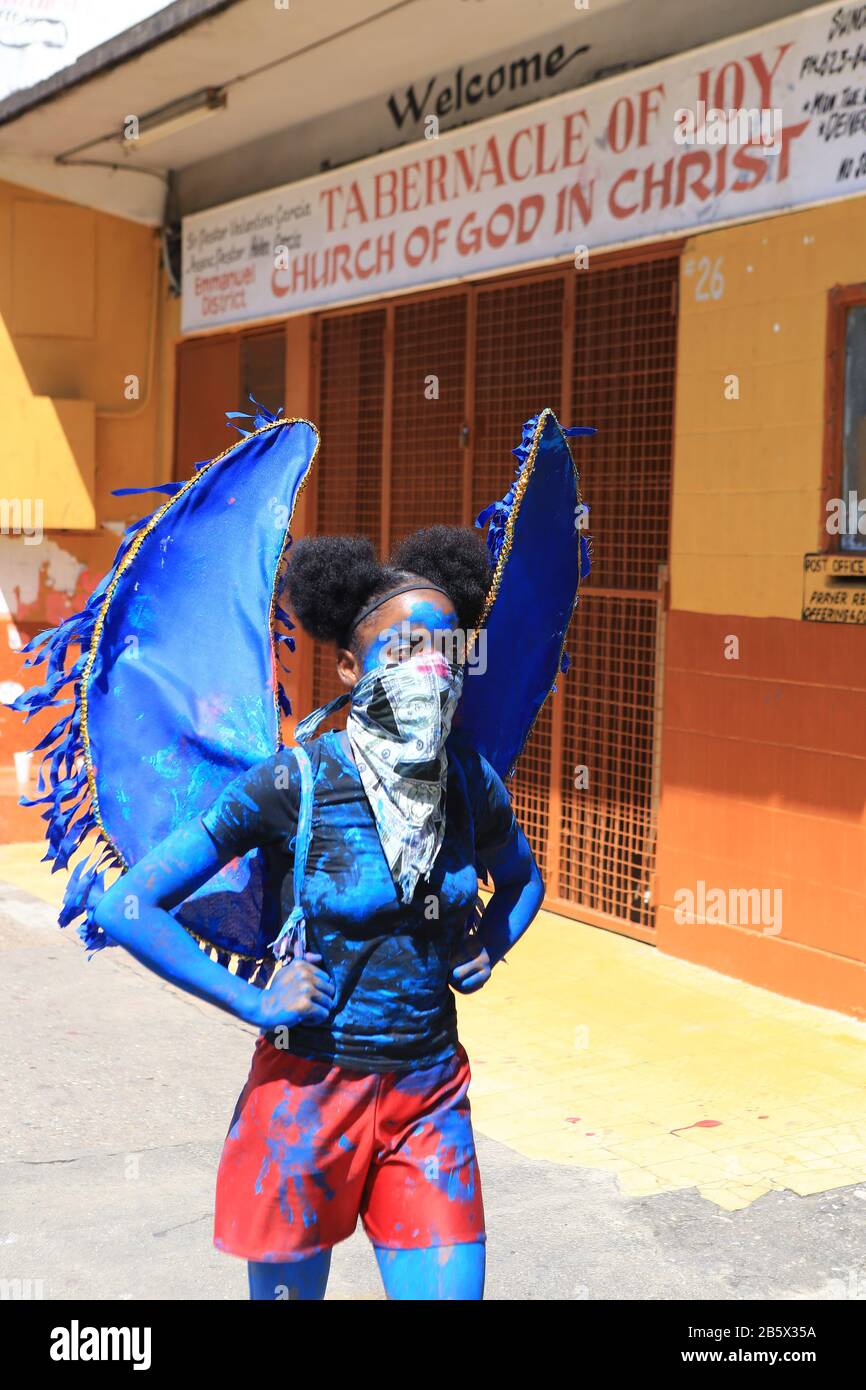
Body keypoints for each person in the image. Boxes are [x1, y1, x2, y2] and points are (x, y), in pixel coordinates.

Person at [94, 524, 545, 1302]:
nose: (429, 670)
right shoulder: (293, 783)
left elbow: (525, 881)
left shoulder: (467, 779)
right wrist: (252, 999)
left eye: (444, 652)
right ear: (346, 664)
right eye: (401, 652)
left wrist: (492, 943)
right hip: (304, 1104)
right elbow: (128, 904)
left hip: (428, 1098)